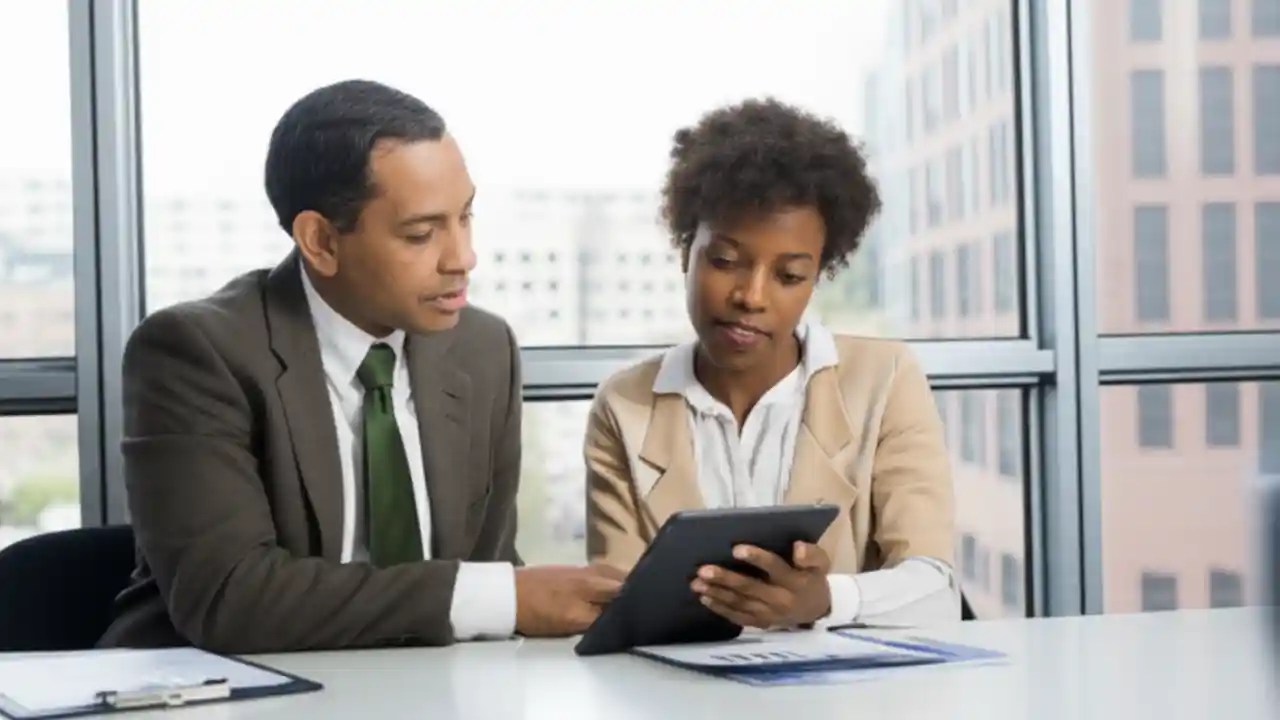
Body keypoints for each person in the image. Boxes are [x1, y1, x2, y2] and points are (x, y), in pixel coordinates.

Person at [99, 80, 621, 653]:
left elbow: (487, 569)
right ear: (320, 240)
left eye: (465, 218)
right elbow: (231, 600)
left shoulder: (483, 348)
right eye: (421, 234)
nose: (462, 257)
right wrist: (507, 598)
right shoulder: (196, 352)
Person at [584, 98, 958, 630]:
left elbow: (934, 589)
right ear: (685, 249)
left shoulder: (885, 379)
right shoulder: (624, 406)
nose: (751, 296)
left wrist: (826, 600)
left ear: (817, 277)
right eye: (725, 261)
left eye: (788, 276)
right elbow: (618, 607)